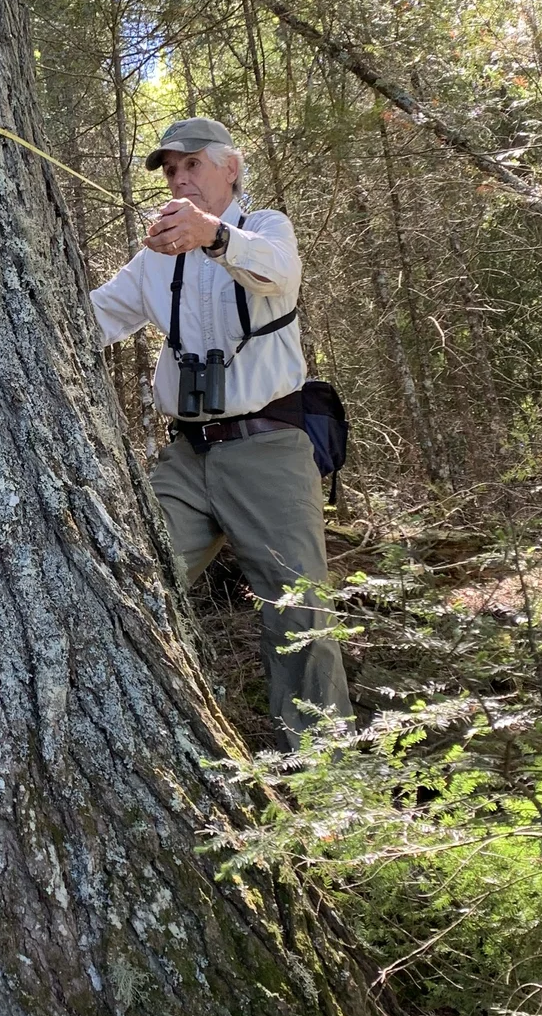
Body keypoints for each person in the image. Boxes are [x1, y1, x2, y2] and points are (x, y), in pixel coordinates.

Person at [90, 118, 350, 746]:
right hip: (187, 457)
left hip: (270, 449)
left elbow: (276, 275)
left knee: (299, 610)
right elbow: (90, 319)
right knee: (129, 577)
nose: (180, 180)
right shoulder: (153, 259)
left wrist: (212, 237)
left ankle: (330, 781)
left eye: (192, 166)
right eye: (171, 170)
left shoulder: (266, 229)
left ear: (229, 168)